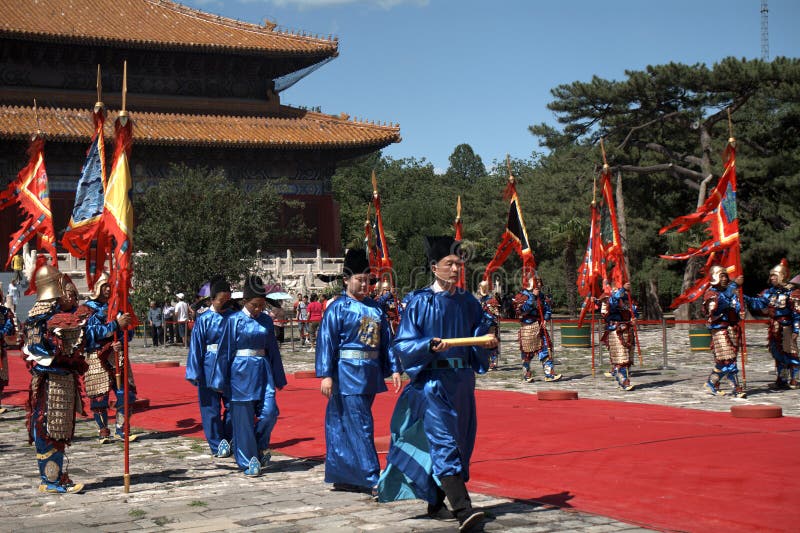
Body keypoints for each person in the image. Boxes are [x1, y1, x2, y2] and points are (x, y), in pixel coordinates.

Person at [377, 236, 496, 532]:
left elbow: (480, 331)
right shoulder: (419, 302)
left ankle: (435, 502)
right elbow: (402, 344)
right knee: (444, 443)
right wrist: (428, 346)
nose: (456, 269)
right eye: (449, 264)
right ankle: (463, 510)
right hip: (432, 383)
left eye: (459, 264)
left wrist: (489, 333)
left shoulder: (468, 301)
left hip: (462, 382)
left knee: (460, 442)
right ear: (434, 267)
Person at [316, 249, 402, 494]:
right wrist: (326, 375)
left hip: (370, 373)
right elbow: (326, 342)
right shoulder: (337, 309)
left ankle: (345, 474)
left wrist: (394, 368)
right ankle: (372, 477)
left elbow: (387, 340)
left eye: (368, 280)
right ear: (346, 280)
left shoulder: (376, 309)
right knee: (362, 424)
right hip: (346, 374)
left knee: (343, 423)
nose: (365, 285)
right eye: (360, 280)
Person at [212, 275, 286, 476]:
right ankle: (248, 460)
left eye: (262, 306)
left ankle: (258, 445)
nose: (258, 309)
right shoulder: (233, 321)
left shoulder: (266, 322)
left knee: (270, 412)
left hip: (263, 371)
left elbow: (273, 350)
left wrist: (279, 376)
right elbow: (224, 351)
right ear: (245, 301)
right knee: (243, 416)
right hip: (240, 372)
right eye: (255, 305)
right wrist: (219, 379)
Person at [22, 263, 87, 493]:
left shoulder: (60, 314)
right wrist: (58, 345)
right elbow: (34, 348)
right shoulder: (41, 315)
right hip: (50, 378)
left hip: (63, 377)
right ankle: (50, 479)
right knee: (48, 425)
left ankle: (55, 476)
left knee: (58, 427)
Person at [81, 272, 135, 443]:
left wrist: (121, 341)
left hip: (116, 354)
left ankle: (122, 428)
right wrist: (114, 325)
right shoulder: (87, 309)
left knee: (125, 393)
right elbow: (88, 334)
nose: (107, 289)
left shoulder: (119, 307)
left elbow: (129, 330)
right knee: (99, 396)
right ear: (97, 288)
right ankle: (103, 430)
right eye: (104, 286)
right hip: (96, 355)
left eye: (109, 286)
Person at [186, 276, 234, 458]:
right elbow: (196, 347)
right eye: (221, 300)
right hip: (209, 366)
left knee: (232, 405)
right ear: (213, 299)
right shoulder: (204, 320)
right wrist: (194, 371)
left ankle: (229, 438)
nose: (224, 303)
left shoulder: (233, 318)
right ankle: (216, 444)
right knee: (210, 407)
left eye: (227, 300)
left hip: (229, 365)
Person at [743, 260, 799, 389]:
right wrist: (744, 297)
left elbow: (797, 313)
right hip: (774, 326)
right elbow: (759, 303)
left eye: (775, 275)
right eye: (771, 275)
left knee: (790, 352)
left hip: (787, 327)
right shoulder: (769, 292)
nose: (772, 278)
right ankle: (782, 379)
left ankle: (795, 379)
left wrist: (796, 329)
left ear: (783, 275)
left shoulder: (792, 292)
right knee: (776, 352)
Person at [702, 267, 746, 397]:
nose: (725, 279)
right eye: (722, 276)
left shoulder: (731, 292)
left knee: (723, 361)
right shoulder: (711, 293)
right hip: (719, 330)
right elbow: (715, 309)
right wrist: (734, 285)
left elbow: (735, 306)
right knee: (729, 360)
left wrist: (740, 312)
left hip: (732, 328)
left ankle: (711, 383)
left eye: (725, 276)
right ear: (715, 277)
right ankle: (737, 388)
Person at [514, 275, 560, 383]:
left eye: (540, 282)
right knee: (527, 353)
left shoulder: (542, 296)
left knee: (545, 348)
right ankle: (526, 374)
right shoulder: (523, 296)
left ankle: (549, 374)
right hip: (528, 327)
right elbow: (522, 310)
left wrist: (545, 319)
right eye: (537, 282)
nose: (539, 285)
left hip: (540, 326)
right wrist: (533, 298)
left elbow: (547, 309)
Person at [600, 281, 638, 391]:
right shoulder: (609, 299)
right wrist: (622, 290)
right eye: (617, 288)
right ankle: (624, 381)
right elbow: (612, 305)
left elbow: (633, 312)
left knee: (628, 359)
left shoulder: (628, 298)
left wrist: (633, 320)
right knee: (621, 358)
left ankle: (622, 378)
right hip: (616, 332)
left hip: (628, 331)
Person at [477, 281, 501, 371]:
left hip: (490, 325)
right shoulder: (478, 300)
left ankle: (493, 362)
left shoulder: (492, 300)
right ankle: (484, 361)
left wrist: (484, 314)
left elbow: (495, 315)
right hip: (480, 326)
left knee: (492, 344)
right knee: (481, 344)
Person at [0, 285, 16, 412]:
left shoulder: (5, 312)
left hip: (0, 348)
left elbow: (10, 327)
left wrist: (1, 332)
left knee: (0, 377)